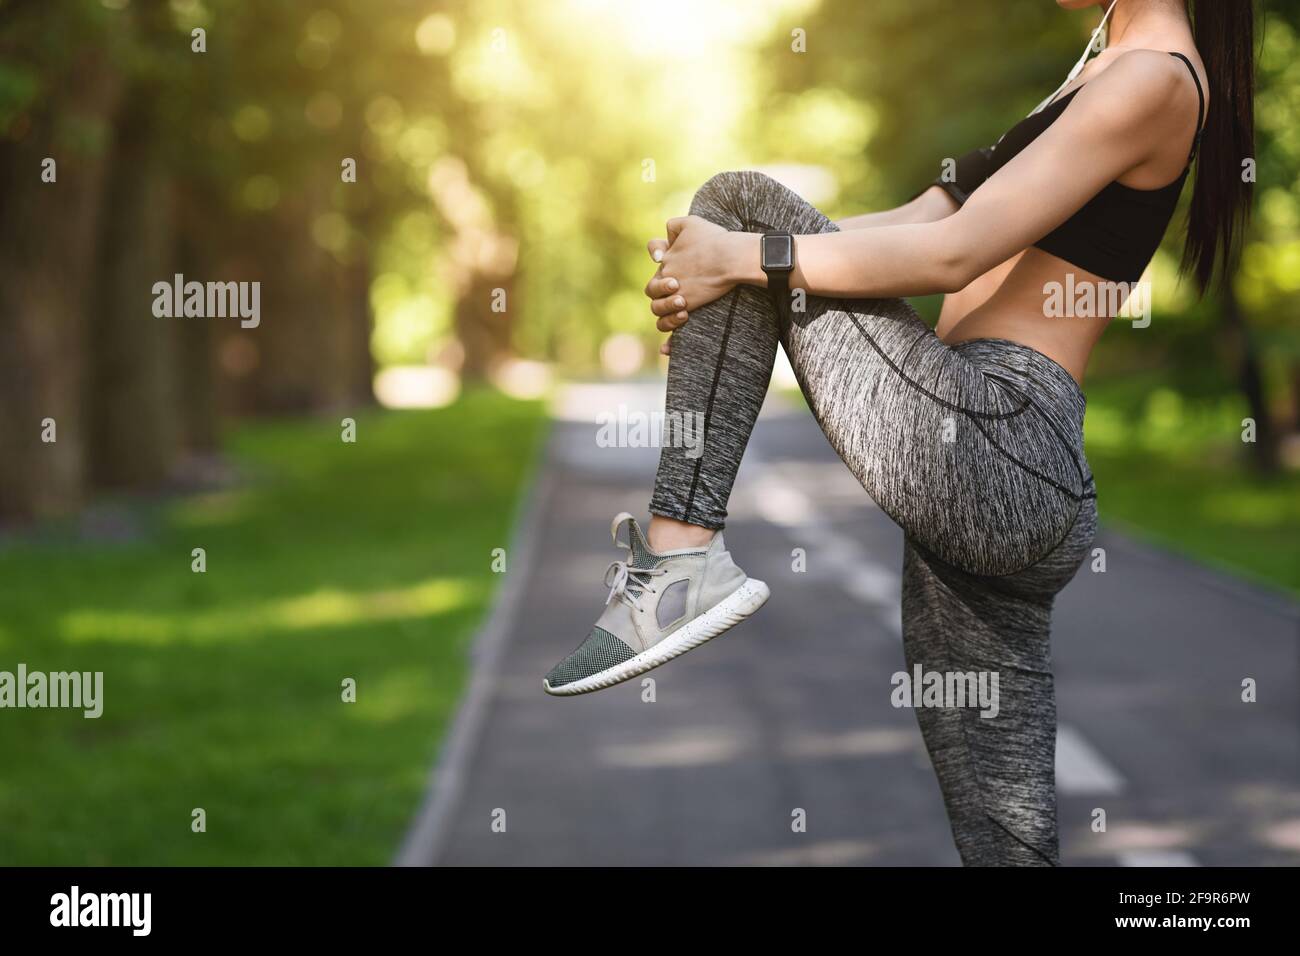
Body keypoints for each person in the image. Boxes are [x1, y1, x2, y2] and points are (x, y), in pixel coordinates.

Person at [543, 0, 1255, 866]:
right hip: (984, 474)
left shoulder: (1154, 79)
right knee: (1003, 846)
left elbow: (954, 255)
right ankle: (682, 555)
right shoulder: (1101, 71)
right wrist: (726, 273)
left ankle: (682, 552)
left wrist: (745, 257)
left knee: (737, 204)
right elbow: (924, 216)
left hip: (1001, 443)